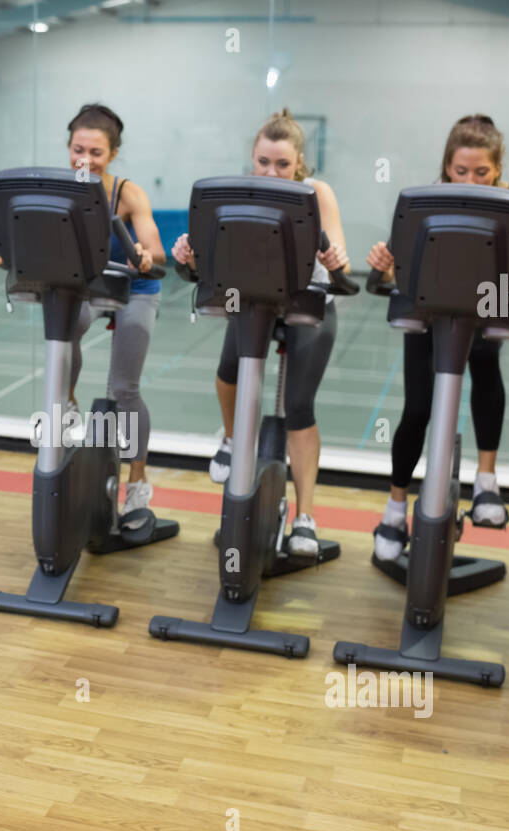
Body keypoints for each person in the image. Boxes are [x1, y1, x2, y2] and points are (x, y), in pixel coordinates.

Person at [367, 114, 509, 561]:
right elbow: (396, 269)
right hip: (431, 313)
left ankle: (486, 482)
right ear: (447, 166)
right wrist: (383, 263)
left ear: (499, 168)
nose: (471, 180)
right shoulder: (426, 200)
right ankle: (395, 508)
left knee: (487, 366)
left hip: (485, 309)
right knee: (417, 409)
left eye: (482, 172)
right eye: (461, 171)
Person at [172, 107, 351, 555]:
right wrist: (190, 258)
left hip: (309, 300)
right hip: (255, 300)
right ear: (252, 159)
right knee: (229, 368)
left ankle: (305, 517)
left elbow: (339, 255)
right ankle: (232, 439)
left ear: (299, 164)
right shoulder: (238, 194)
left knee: (298, 408)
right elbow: (211, 257)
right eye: (264, 162)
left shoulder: (316, 193)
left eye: (283, 164)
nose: (272, 171)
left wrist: (336, 261)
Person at [0, 104, 166, 524]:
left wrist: (143, 254)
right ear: (68, 147)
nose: (85, 159)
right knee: (71, 325)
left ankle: (137, 484)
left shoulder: (127, 194)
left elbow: (155, 251)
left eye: (96, 153)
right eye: (78, 149)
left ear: (113, 155)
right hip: (83, 284)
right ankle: (66, 404)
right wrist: (1, 252)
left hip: (134, 285)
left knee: (123, 388)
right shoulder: (59, 188)